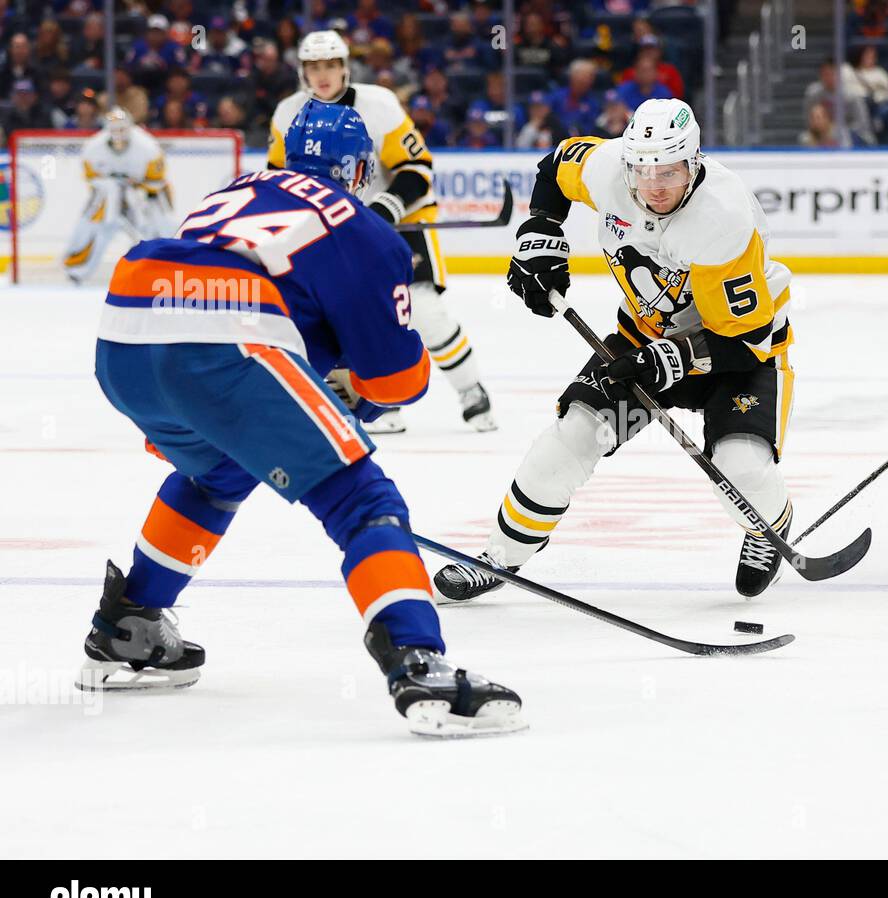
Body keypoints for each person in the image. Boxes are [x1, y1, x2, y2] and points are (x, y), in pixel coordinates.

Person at [79, 99, 524, 739]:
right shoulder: (359, 227)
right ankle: (418, 661)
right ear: (360, 168)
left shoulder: (238, 189)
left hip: (126, 328)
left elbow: (264, 299)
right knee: (363, 499)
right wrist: (355, 391)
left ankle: (130, 624)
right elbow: (397, 381)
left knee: (216, 473)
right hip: (222, 338)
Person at [434, 99, 797, 602]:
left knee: (741, 469)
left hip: (736, 350)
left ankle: (767, 530)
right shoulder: (608, 170)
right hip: (641, 340)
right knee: (570, 440)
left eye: (669, 171)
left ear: (695, 163)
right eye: (644, 171)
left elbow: (743, 339)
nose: (655, 186)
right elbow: (558, 164)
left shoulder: (722, 217)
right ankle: (500, 557)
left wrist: (672, 359)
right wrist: (540, 229)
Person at [269, 30, 496, 434]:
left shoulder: (379, 104)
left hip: (396, 222)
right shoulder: (287, 113)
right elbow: (278, 174)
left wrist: (383, 207)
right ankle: (374, 400)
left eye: (330, 65)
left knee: (422, 309)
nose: (323, 75)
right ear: (303, 71)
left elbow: (417, 167)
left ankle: (471, 390)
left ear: (345, 68)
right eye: (313, 67)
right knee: (338, 311)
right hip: (329, 228)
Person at [62, 108, 175, 284]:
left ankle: (165, 268)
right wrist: (115, 186)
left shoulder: (148, 147)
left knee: (161, 224)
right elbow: (92, 179)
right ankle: (77, 269)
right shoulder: (93, 148)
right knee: (91, 225)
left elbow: (157, 181)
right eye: (114, 129)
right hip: (108, 197)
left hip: (142, 194)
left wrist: (134, 190)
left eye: (122, 129)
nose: (118, 134)